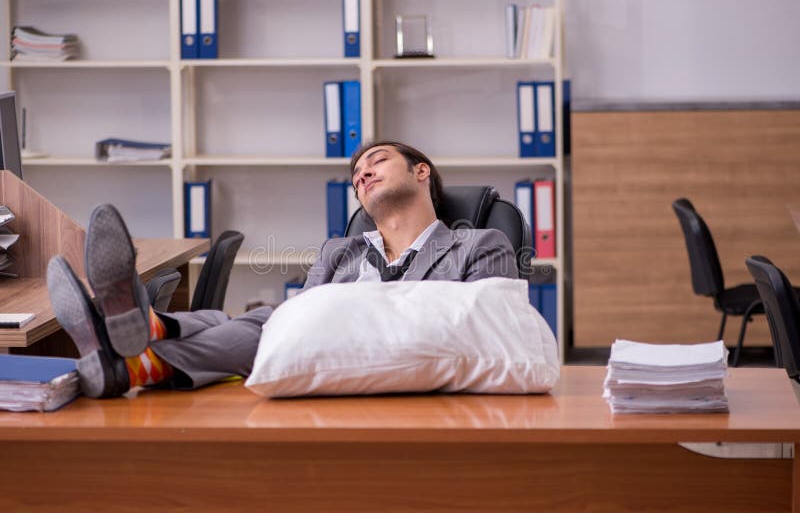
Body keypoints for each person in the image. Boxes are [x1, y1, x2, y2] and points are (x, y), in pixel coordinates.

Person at [47, 141, 518, 398]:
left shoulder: (478, 242)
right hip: (327, 353)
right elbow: (296, 323)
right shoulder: (341, 251)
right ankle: (139, 353)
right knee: (266, 320)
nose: (363, 175)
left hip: (409, 359)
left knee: (269, 321)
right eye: (356, 177)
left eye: (377, 161)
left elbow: (489, 331)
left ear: (421, 173)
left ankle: (144, 332)